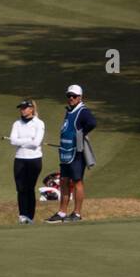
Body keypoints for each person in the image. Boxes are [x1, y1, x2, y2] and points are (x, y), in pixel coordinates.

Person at [47, 84, 96, 223]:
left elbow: (92, 123)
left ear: (80, 97)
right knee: (63, 181)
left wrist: (80, 135)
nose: (71, 98)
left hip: (76, 152)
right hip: (65, 152)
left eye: (74, 96)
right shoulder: (69, 111)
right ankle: (62, 212)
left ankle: (77, 213)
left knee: (77, 181)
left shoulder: (83, 111)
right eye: (69, 96)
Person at [5, 99, 44, 224]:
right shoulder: (17, 124)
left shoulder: (39, 123)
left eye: (25, 107)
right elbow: (12, 141)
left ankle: (30, 217)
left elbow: (36, 143)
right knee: (21, 188)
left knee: (29, 188)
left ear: (31, 109)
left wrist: (21, 141)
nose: (22, 110)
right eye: (21, 108)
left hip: (34, 159)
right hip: (20, 159)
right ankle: (22, 216)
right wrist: (28, 139)